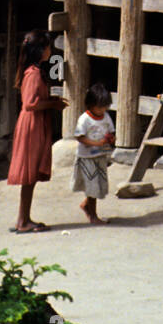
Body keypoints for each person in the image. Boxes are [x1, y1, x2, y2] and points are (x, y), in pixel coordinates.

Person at [7, 29, 64, 233]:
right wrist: (52, 104)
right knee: (29, 175)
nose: (50, 50)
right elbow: (30, 103)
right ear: (40, 50)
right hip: (32, 124)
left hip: (34, 122)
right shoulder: (34, 73)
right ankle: (23, 221)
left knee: (30, 178)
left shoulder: (31, 71)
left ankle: (23, 219)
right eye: (48, 47)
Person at [72, 83, 115, 225]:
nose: (103, 110)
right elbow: (80, 137)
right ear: (91, 105)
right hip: (87, 158)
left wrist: (110, 139)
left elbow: (111, 131)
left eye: (105, 106)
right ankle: (93, 216)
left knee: (97, 186)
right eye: (100, 107)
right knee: (92, 187)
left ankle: (87, 206)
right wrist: (97, 143)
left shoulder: (106, 116)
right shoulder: (84, 119)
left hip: (100, 156)